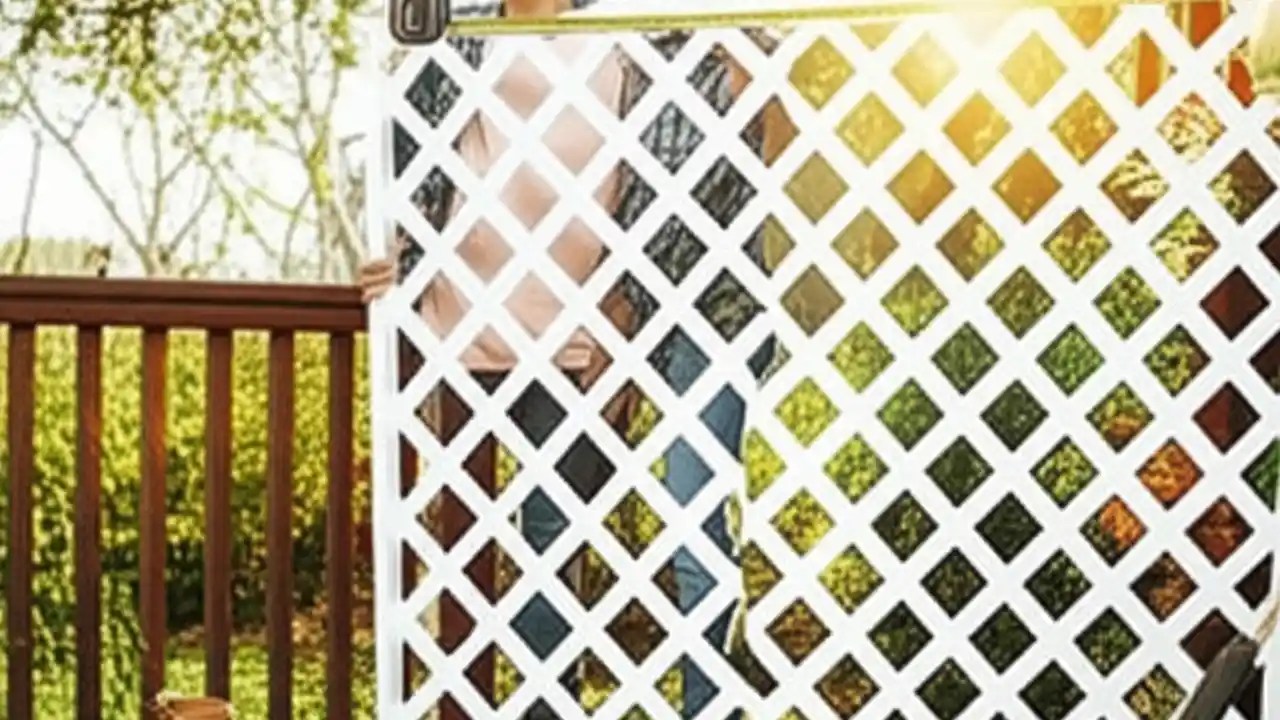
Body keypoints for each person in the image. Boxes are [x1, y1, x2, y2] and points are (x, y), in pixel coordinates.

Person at [361, 0, 782, 711]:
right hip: (459, 325)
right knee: (457, 543)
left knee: (555, 535)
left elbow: (721, 142)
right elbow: (405, 159)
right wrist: (390, 253)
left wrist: (622, 320)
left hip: (581, 327)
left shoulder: (638, 38)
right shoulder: (461, 34)